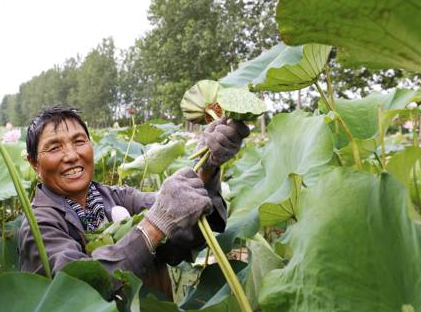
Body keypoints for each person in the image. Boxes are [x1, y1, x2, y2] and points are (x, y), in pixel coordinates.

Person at [18, 106, 249, 290]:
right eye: (55, 147)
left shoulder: (119, 196)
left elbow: (187, 221)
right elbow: (77, 287)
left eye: (79, 142)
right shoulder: (38, 224)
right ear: (34, 163)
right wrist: (154, 226)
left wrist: (207, 168)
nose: (71, 155)